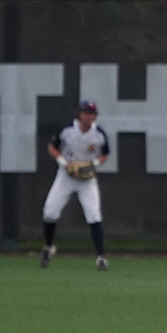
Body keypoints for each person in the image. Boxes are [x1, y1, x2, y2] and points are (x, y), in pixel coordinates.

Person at [40, 99, 110, 271]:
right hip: (66, 177)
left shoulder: (99, 134)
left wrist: (94, 164)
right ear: (79, 114)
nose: (89, 116)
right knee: (49, 212)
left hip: (87, 180)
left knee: (94, 215)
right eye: (86, 113)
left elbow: (105, 154)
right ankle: (49, 247)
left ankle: (101, 257)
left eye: (92, 113)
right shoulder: (67, 129)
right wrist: (64, 163)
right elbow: (52, 147)